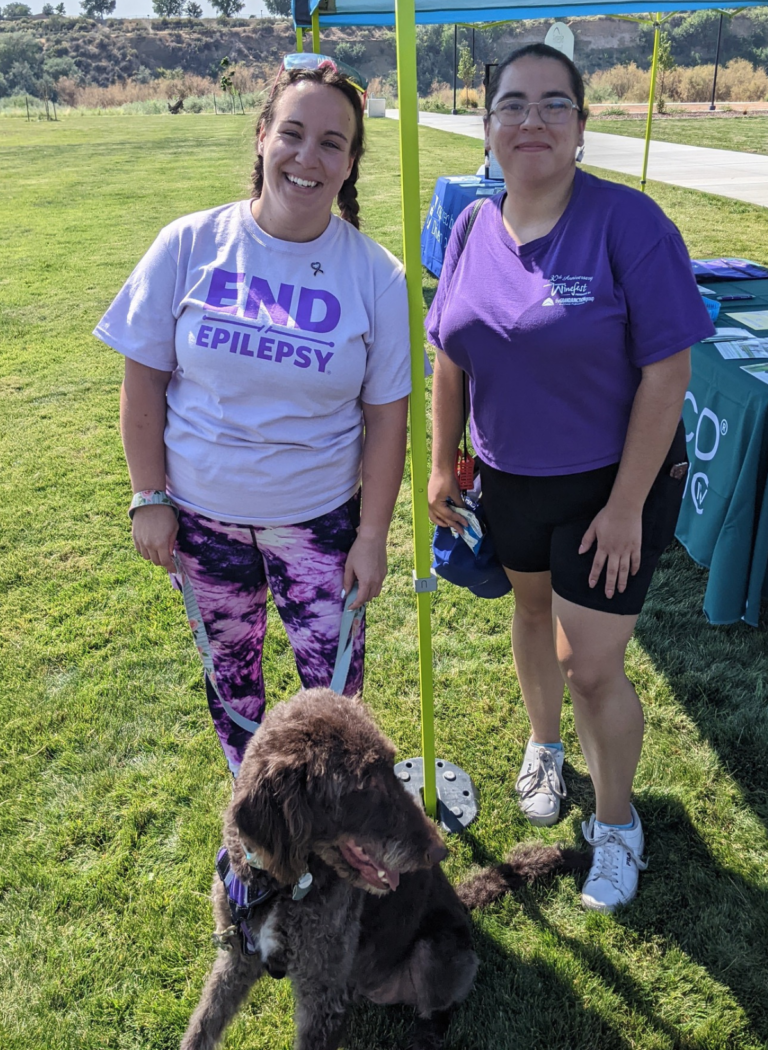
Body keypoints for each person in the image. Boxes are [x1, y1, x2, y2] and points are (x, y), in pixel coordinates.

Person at [427, 43, 714, 912]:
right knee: (531, 610)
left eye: (555, 105)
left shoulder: (628, 223)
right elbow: (449, 353)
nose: (533, 122)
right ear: (487, 129)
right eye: (513, 105)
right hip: (511, 478)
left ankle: (618, 824)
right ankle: (544, 748)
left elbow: (670, 371)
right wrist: (442, 463)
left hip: (612, 486)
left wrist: (628, 506)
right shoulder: (474, 225)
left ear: (583, 127)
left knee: (591, 666)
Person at [95, 60, 411, 776]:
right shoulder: (189, 245)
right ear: (262, 136)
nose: (308, 157)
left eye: (332, 143)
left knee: (334, 701)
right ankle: (259, 826)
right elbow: (142, 378)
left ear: (351, 161)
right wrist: (148, 496)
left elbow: (387, 420)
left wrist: (371, 538)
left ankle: (332, 833)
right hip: (203, 523)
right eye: (292, 133)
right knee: (234, 687)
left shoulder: (375, 275)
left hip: (321, 527)